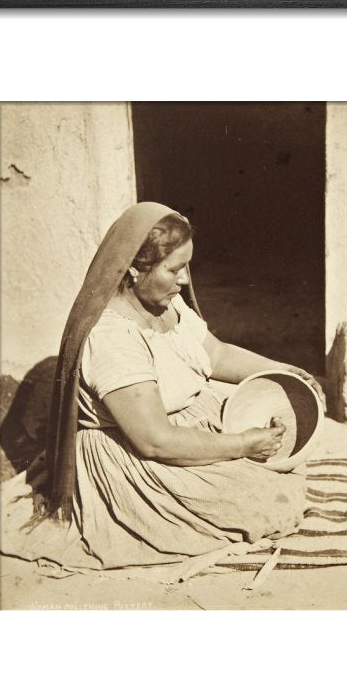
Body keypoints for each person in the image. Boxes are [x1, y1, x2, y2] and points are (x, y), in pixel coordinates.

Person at [43, 202, 325, 567]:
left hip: (184, 426)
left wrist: (285, 370)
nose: (185, 280)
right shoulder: (113, 338)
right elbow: (154, 440)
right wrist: (241, 443)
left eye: (186, 266)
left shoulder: (166, 306)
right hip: (138, 452)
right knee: (260, 500)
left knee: (276, 473)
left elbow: (217, 355)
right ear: (133, 268)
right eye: (174, 269)